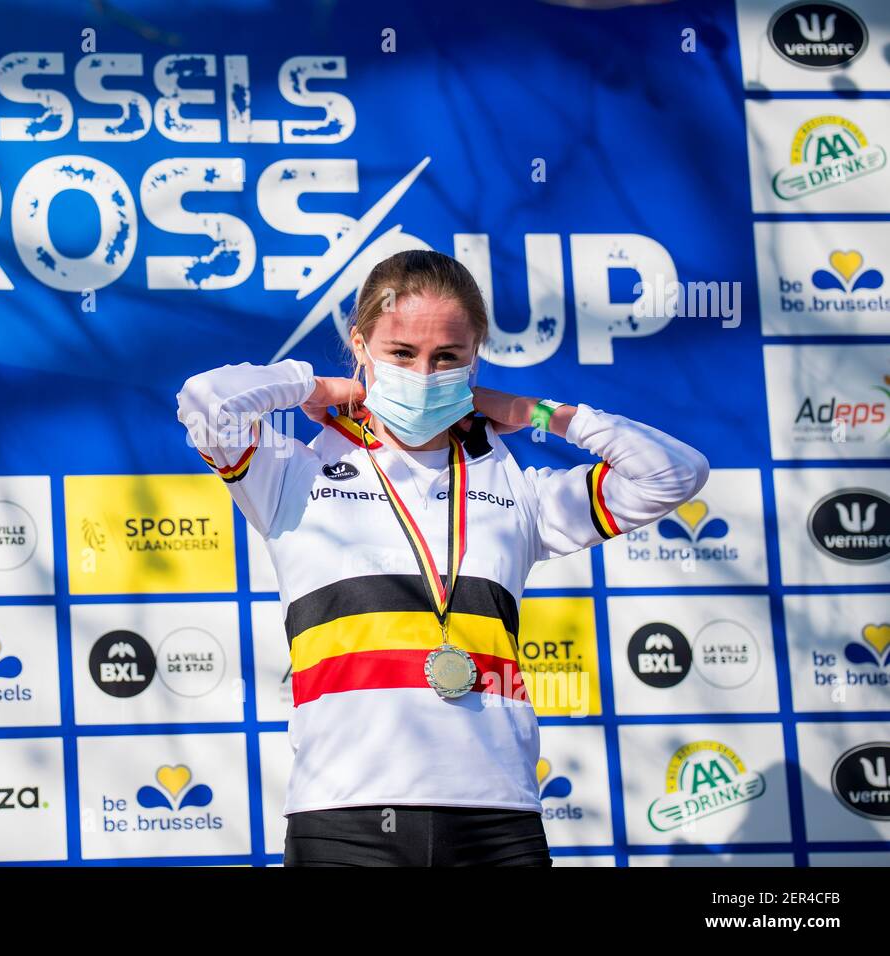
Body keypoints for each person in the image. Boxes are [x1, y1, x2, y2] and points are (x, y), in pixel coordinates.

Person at [175, 249, 710, 866]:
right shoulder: (290, 470)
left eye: (447, 357)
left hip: (498, 815)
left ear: (475, 357)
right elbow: (207, 402)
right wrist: (326, 388)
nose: (424, 374)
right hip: (344, 818)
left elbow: (674, 474)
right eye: (401, 353)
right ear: (361, 345)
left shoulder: (517, 488)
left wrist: (538, 414)